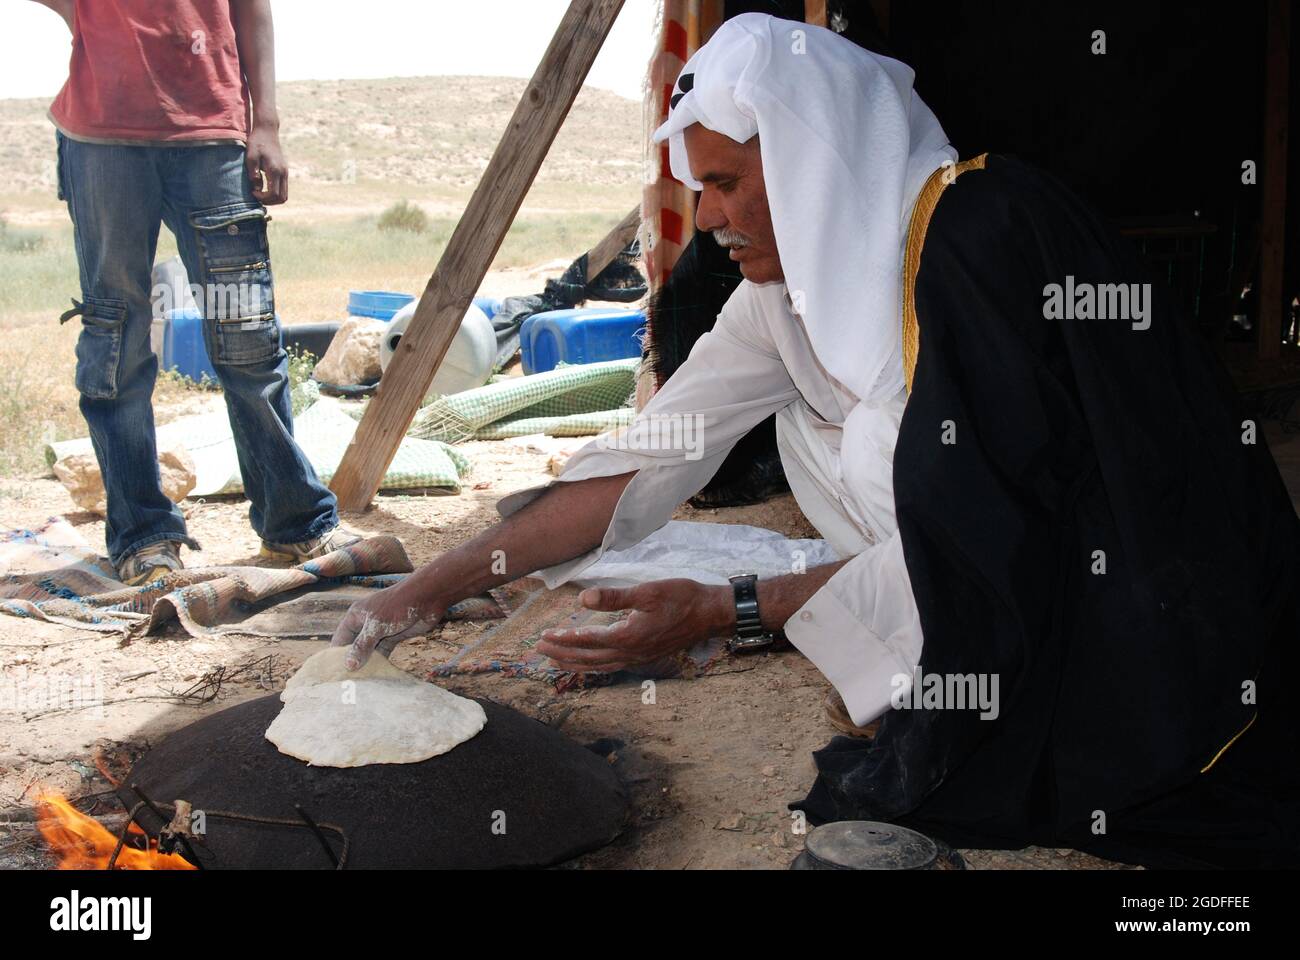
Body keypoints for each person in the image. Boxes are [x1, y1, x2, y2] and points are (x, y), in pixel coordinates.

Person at [331, 14, 1298, 867]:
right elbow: (649, 455)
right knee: (807, 424)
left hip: (1139, 623)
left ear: (812, 163)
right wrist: (427, 588)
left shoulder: (983, 238)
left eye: (724, 184)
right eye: (698, 188)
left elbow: (1003, 549)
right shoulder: (778, 302)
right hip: (973, 587)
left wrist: (730, 610)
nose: (706, 220)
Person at [33, 0, 358, 584]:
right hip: (102, 139)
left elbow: (251, 10)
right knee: (117, 338)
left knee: (248, 337)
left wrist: (268, 124)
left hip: (211, 138)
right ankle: (144, 535)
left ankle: (296, 523)